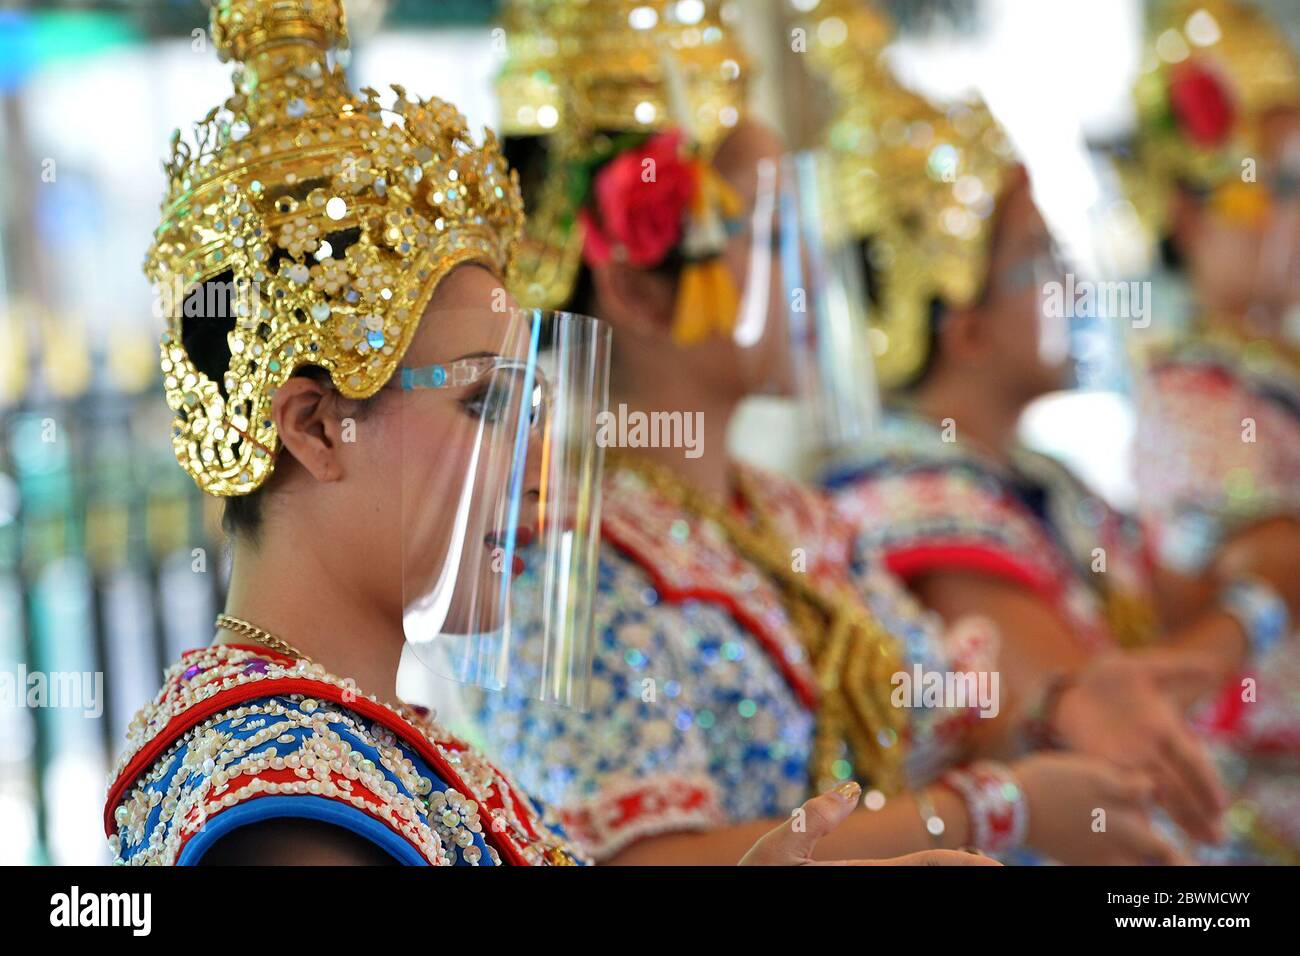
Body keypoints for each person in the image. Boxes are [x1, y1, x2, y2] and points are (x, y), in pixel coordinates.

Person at [103, 0, 984, 869]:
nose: (542, 476)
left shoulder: (376, 744)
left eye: (534, 411)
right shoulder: (283, 803)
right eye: (485, 405)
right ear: (318, 428)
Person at [470, 0, 1191, 866]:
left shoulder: (786, 517)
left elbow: (941, 704)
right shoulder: (564, 560)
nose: (811, 274)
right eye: (772, 238)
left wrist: (1060, 706)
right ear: (642, 288)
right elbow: (644, 863)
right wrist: (994, 809)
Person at [802, 0, 1296, 860]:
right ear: (965, 327)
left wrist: (1244, 605)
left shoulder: (1042, 484)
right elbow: (1106, 721)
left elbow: (1189, 610)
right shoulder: (917, 504)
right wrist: (1250, 609)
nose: (1072, 284)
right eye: (1041, 259)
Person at [1127, 0, 1300, 862]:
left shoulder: (1275, 372)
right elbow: (1269, 565)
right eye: (1275, 184)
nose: (1290, 218)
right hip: (1255, 812)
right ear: (1187, 212)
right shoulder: (1193, 394)